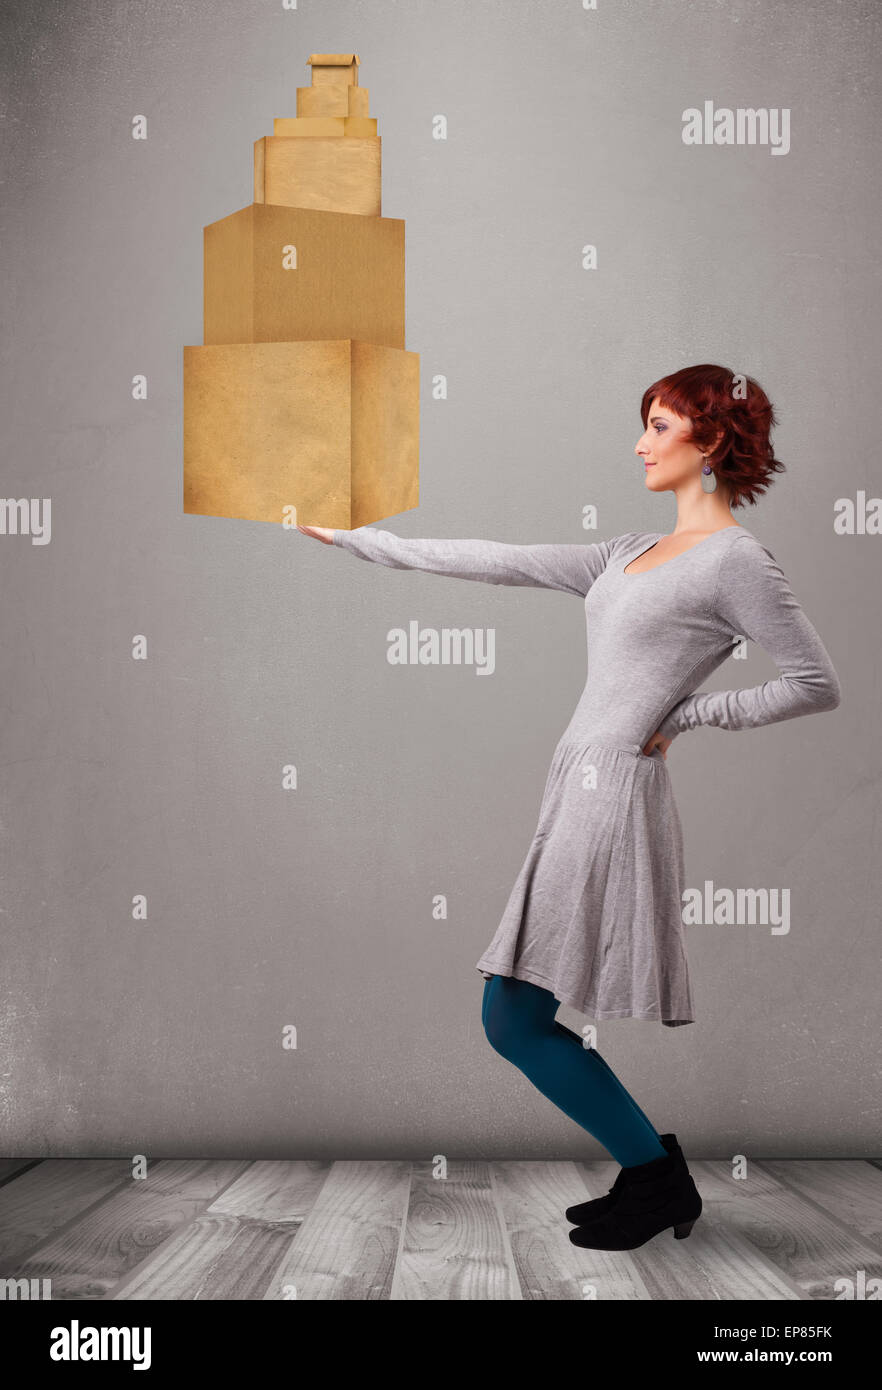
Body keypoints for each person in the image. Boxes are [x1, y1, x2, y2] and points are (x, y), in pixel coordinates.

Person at [296, 363, 841, 1251]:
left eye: (660, 427)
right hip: (574, 785)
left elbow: (818, 683)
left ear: (709, 442)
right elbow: (496, 561)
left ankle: (656, 1177)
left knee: (510, 1016)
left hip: (616, 793)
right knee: (522, 1015)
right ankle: (650, 1172)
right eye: (646, 424)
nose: (640, 442)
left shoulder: (737, 562)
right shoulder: (623, 552)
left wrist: (695, 714)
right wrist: (359, 539)